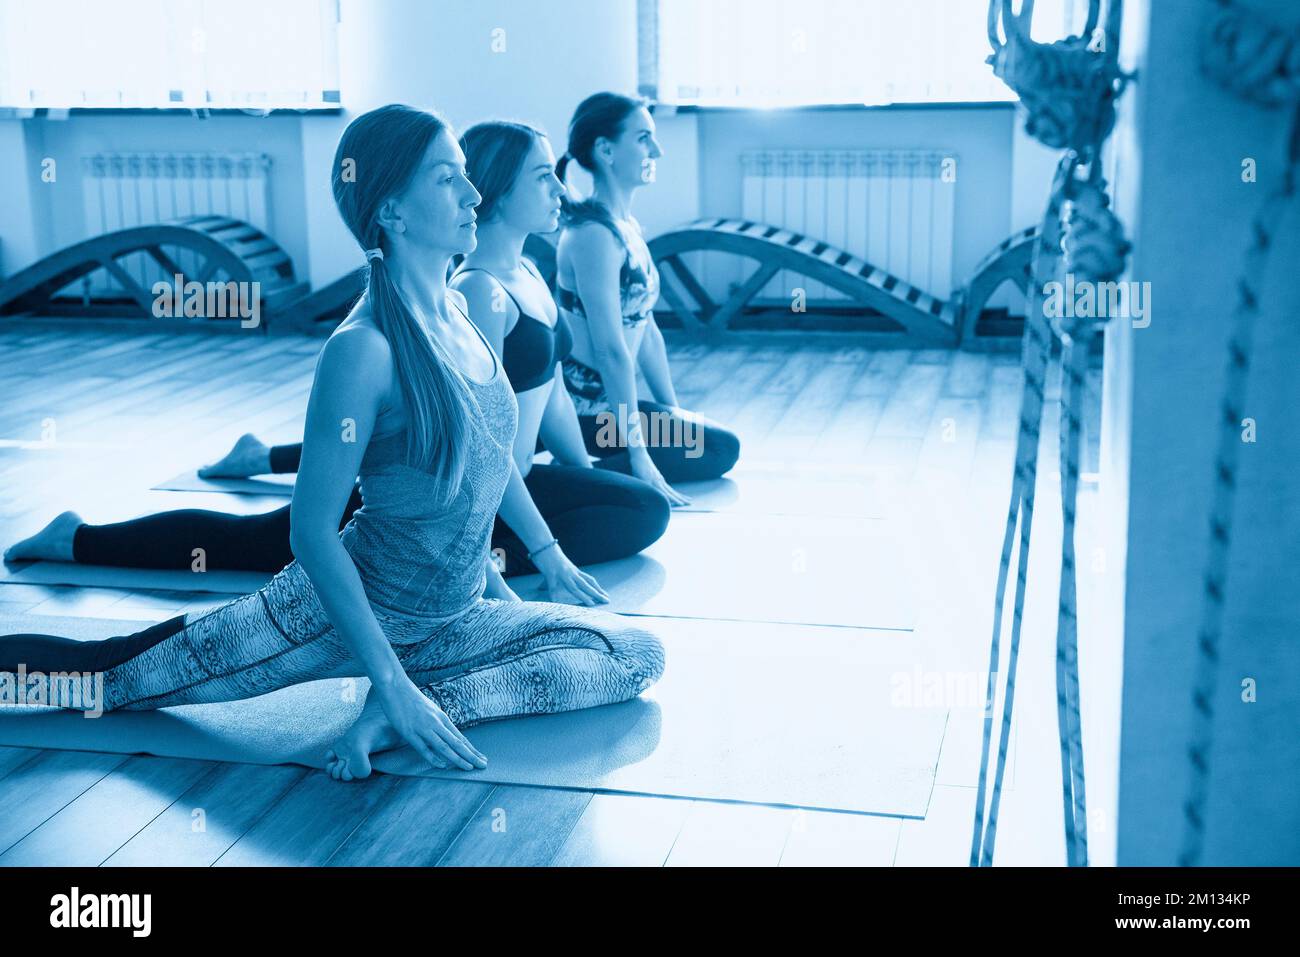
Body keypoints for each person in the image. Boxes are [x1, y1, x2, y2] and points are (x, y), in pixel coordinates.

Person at [0, 104, 665, 783]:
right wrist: (388, 670)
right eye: (446, 179)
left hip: (454, 615)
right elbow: (312, 532)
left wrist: (510, 600)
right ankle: (400, 694)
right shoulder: (363, 348)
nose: (471, 195)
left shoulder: (463, 312)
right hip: (327, 617)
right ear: (393, 211)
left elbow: (486, 468)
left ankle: (404, 706)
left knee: (635, 653)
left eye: (466, 176)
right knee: (112, 680)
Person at [5, 124, 678, 593]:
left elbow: (525, 401)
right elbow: (449, 427)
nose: (560, 189)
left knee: (634, 508)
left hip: (478, 479)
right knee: (248, 547)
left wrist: (571, 490)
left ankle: (261, 459)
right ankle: (81, 538)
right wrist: (537, 552)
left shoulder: (523, 274)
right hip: (421, 494)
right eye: (541, 176)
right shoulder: (468, 295)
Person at [554, 92, 740, 493]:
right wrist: (639, 450)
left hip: (616, 406)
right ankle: (578, 471)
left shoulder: (626, 226)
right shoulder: (592, 236)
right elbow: (610, 349)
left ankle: (593, 467)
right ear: (605, 150)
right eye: (643, 138)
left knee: (718, 445)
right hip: (592, 416)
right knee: (718, 450)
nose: (656, 150)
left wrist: (673, 410)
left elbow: (647, 330)